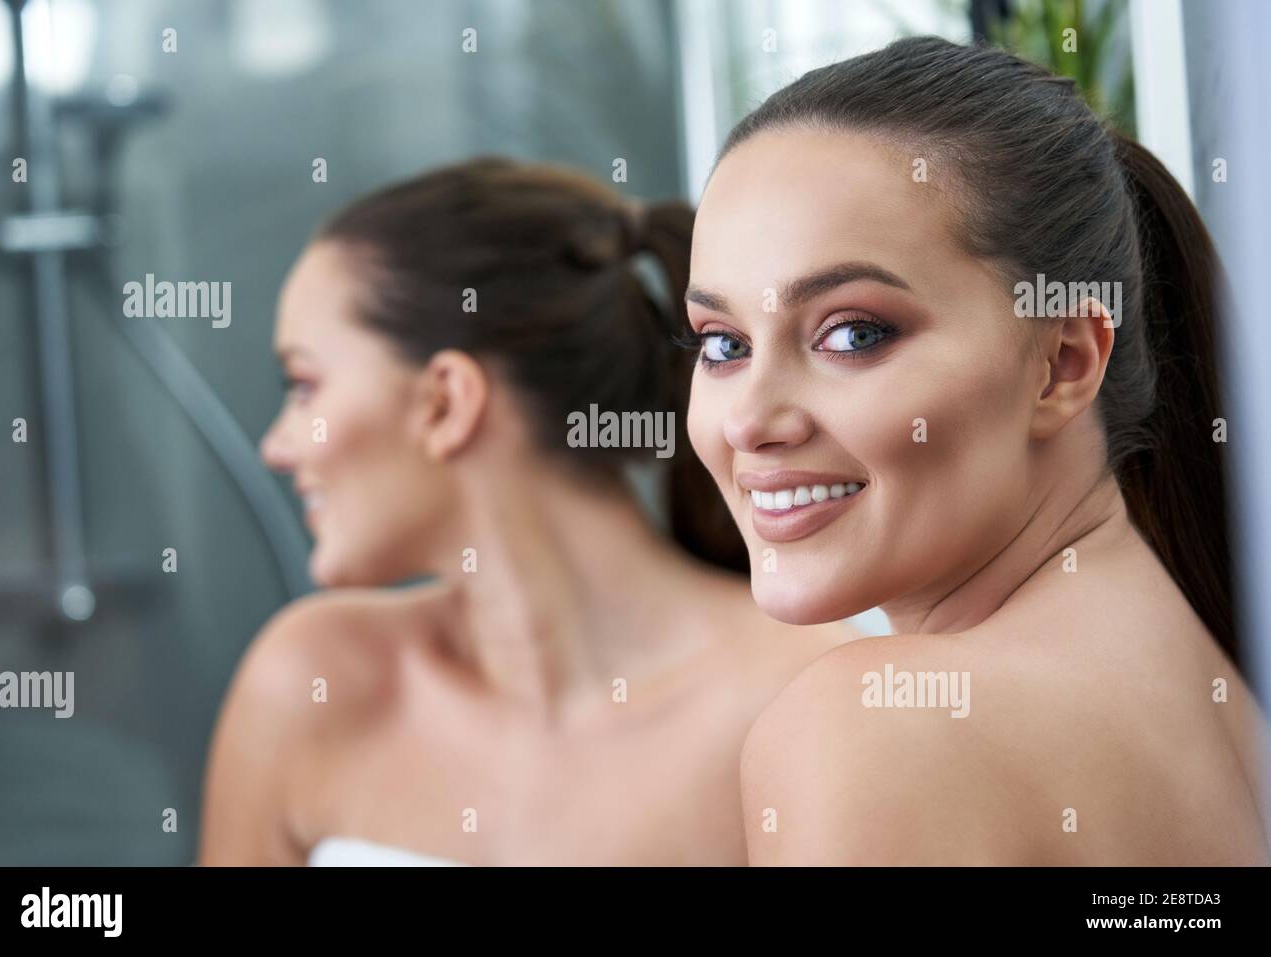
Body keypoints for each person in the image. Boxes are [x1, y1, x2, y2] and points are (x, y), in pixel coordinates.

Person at [683, 36, 1270, 865]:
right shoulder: (1222, 691)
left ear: (1063, 363)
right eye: (722, 344)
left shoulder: (872, 728)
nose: (750, 421)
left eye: (853, 333)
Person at [198, 157, 858, 866]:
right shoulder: (311, 685)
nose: (276, 446)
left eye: (304, 386)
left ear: (446, 402)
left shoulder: (810, 710)